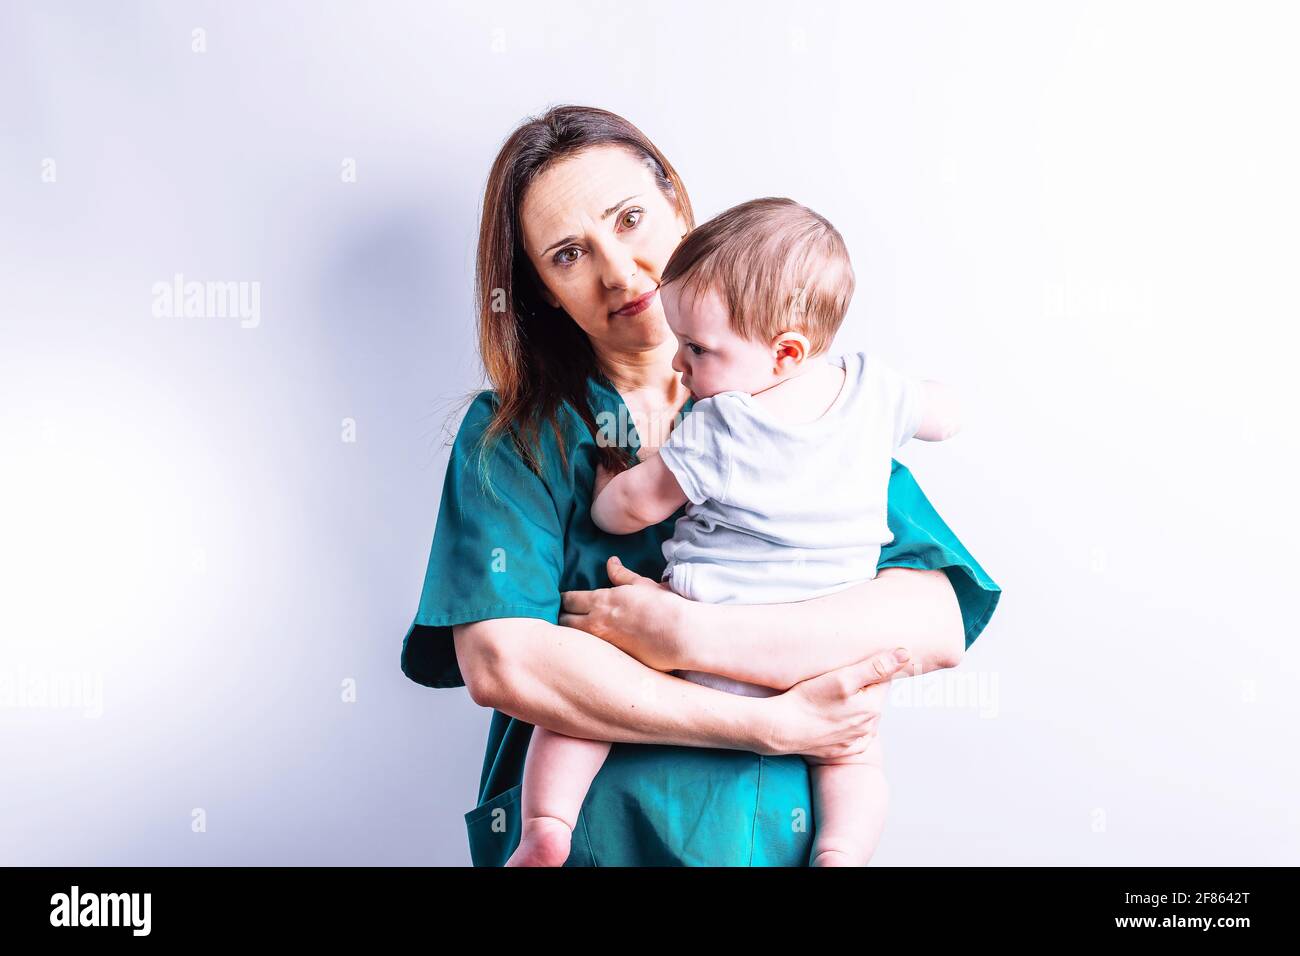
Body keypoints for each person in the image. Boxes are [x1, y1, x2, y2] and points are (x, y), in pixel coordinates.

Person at [400, 105, 1001, 866]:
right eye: (567, 255)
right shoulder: (516, 435)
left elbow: (933, 621)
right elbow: (502, 662)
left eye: (630, 219)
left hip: (772, 840)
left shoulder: (809, 401)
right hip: (596, 841)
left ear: (679, 207)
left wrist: (686, 635)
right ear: (546, 290)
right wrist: (766, 722)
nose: (619, 271)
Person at [506, 197, 965, 867]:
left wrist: (608, 490)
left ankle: (547, 822)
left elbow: (633, 507)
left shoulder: (721, 426)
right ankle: (840, 850)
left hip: (701, 632)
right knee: (855, 757)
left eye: (696, 349)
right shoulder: (875, 391)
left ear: (785, 353)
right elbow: (945, 414)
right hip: (822, 658)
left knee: (577, 710)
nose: (678, 364)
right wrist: (923, 399)